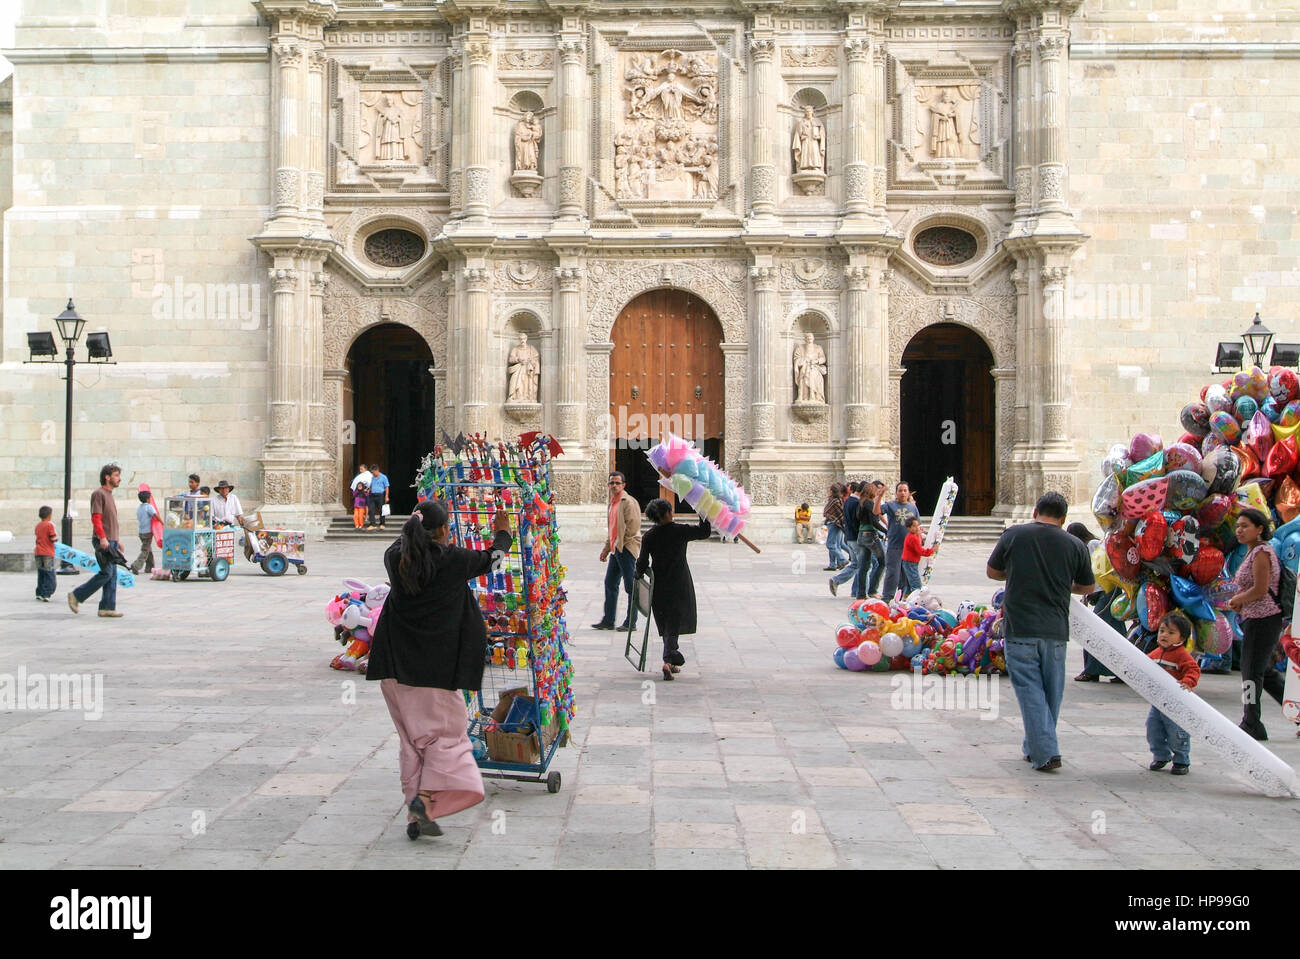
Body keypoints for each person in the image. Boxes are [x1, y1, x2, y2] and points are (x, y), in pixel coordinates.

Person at [366, 499, 512, 838]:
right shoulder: (451, 560)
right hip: (432, 672)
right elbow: (493, 559)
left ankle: (417, 816)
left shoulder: (395, 558)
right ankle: (427, 802)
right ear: (444, 530)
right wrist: (502, 533)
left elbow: (404, 541)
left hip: (395, 670)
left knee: (413, 743)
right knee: (447, 738)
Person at [986, 491, 1095, 771]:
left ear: (1035, 511)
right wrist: (1062, 585)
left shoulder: (1014, 535)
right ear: (1064, 518)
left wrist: (1019, 573)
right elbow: (1087, 587)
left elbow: (993, 571)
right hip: (1055, 628)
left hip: (1021, 625)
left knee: (1029, 689)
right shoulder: (1075, 544)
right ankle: (1034, 745)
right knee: (1051, 691)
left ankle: (1046, 752)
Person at [1226, 507, 1287, 740]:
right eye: (1238, 526)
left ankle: (1251, 721)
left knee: (1250, 672)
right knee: (1264, 672)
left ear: (1260, 529)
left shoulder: (1262, 552)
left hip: (1264, 619)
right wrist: (1242, 602)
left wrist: (1238, 599)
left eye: (1245, 526)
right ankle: (1296, 711)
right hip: (1255, 618)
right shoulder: (1253, 551)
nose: (1239, 530)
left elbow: (1261, 589)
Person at [635, 498, 712, 682]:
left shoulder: (650, 535)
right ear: (669, 513)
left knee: (667, 620)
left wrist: (638, 575)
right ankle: (669, 658)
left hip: (659, 585)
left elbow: (642, 562)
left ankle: (671, 657)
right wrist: (702, 511)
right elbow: (704, 532)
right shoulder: (680, 531)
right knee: (674, 621)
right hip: (679, 582)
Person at [1066, 522, 1121, 684]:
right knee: (1111, 631)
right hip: (1102, 592)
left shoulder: (1092, 545)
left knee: (1095, 631)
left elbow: (1094, 571)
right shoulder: (1086, 547)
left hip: (1107, 590)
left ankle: (1092, 670)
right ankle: (1103, 670)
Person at [1146, 611, 1200, 776]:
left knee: (1177, 732)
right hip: (1158, 703)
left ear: (1182, 638)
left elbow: (1193, 669)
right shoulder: (1154, 654)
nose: (1164, 635)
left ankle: (1181, 760)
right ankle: (1161, 755)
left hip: (1176, 704)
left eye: (1171, 633)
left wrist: (1188, 681)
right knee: (1153, 728)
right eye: (1162, 631)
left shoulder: (1182, 655)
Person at [69, 463, 125, 618]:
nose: (119, 479)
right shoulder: (99, 494)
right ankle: (77, 595)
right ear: (107, 477)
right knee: (107, 573)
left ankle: (107, 607)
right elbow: (96, 518)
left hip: (111, 540)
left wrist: (116, 540)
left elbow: (110, 521)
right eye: (116, 475)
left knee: (112, 575)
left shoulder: (109, 494)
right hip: (103, 540)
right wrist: (102, 538)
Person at [592, 471, 641, 631]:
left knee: (630, 587)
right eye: (611, 483)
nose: (614, 486)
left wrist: (621, 545)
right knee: (610, 583)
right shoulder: (613, 503)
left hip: (626, 549)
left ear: (623, 485)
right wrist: (607, 549)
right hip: (616, 550)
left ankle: (631, 622)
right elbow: (613, 530)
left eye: (617, 483)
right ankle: (608, 620)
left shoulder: (628, 502)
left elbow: (632, 528)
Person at [877, 481, 920, 601]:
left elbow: (918, 527)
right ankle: (887, 597)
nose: (902, 493)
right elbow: (877, 512)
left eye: (905, 490)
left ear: (908, 492)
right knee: (893, 573)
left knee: (906, 574)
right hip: (895, 545)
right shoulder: (890, 505)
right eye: (900, 490)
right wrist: (879, 496)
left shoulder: (913, 507)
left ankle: (902, 597)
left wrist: (919, 543)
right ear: (896, 493)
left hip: (909, 547)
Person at [829, 482, 863, 598]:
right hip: (856, 538)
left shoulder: (848, 501)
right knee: (864, 565)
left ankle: (855, 590)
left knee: (856, 564)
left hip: (850, 537)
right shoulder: (855, 502)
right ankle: (862, 591)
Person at [900, 517, 937, 595]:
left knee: (909, 584)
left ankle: (905, 599)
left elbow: (919, 543)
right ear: (909, 528)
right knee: (916, 585)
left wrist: (919, 534)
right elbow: (920, 551)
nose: (917, 528)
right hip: (910, 563)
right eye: (914, 526)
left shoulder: (913, 536)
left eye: (917, 526)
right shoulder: (913, 538)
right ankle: (914, 601)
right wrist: (932, 550)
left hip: (908, 562)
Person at [130, 489, 158, 575]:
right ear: (147, 499)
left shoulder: (139, 508)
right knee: (145, 551)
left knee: (148, 549)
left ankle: (150, 567)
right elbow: (155, 515)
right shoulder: (149, 507)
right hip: (148, 532)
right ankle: (136, 565)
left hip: (141, 532)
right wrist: (162, 523)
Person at [823, 483, 849, 571]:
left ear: (831, 491)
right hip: (836, 523)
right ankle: (833, 564)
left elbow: (828, 511)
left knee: (830, 544)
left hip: (834, 523)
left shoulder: (835, 501)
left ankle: (842, 559)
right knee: (836, 544)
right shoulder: (837, 500)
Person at [34, 505, 57, 602]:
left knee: (41, 573)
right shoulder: (49, 525)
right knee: (49, 573)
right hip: (47, 552)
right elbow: (53, 538)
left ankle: (39, 592)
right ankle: (47, 593)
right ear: (49, 515)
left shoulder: (38, 525)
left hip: (38, 552)